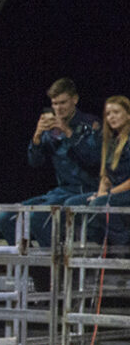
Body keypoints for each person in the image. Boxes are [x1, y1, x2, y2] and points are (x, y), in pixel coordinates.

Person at [0, 79, 99, 246]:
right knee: (7, 218)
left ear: (75, 100)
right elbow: (35, 162)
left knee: (39, 217)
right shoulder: (52, 128)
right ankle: (34, 270)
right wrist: (37, 137)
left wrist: (68, 132)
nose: (58, 108)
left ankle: (56, 269)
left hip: (85, 190)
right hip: (61, 191)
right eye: (55, 103)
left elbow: (93, 160)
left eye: (63, 102)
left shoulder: (90, 124)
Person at [65, 94, 130, 247]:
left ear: (128, 114)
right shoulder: (112, 142)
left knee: (98, 204)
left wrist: (108, 195)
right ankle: (97, 241)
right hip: (115, 191)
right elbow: (105, 176)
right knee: (72, 203)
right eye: (108, 114)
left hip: (125, 191)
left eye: (116, 112)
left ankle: (124, 243)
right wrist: (101, 192)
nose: (111, 117)